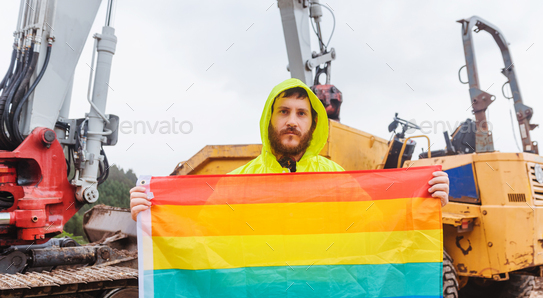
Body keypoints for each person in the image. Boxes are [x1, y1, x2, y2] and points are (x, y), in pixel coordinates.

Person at [130, 78, 449, 220]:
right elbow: (193, 233)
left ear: (314, 124)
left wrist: (426, 200)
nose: (292, 121)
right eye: (283, 112)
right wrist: (150, 210)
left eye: (301, 113)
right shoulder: (238, 182)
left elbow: (380, 224)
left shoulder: (336, 179)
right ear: (269, 118)